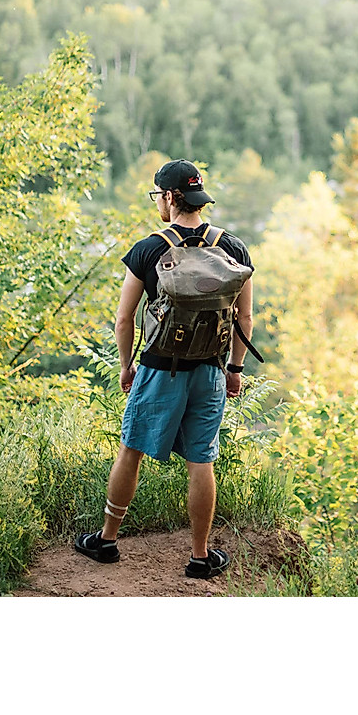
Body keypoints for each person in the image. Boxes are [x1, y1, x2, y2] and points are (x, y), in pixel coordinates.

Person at [74, 159, 255, 579]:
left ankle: (106, 541)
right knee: (201, 460)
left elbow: (123, 319)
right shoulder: (233, 248)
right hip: (210, 370)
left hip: (159, 368)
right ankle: (199, 557)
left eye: (159, 195)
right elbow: (244, 320)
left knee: (132, 449)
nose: (158, 201)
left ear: (172, 197)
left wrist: (126, 367)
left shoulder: (149, 248)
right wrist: (234, 369)